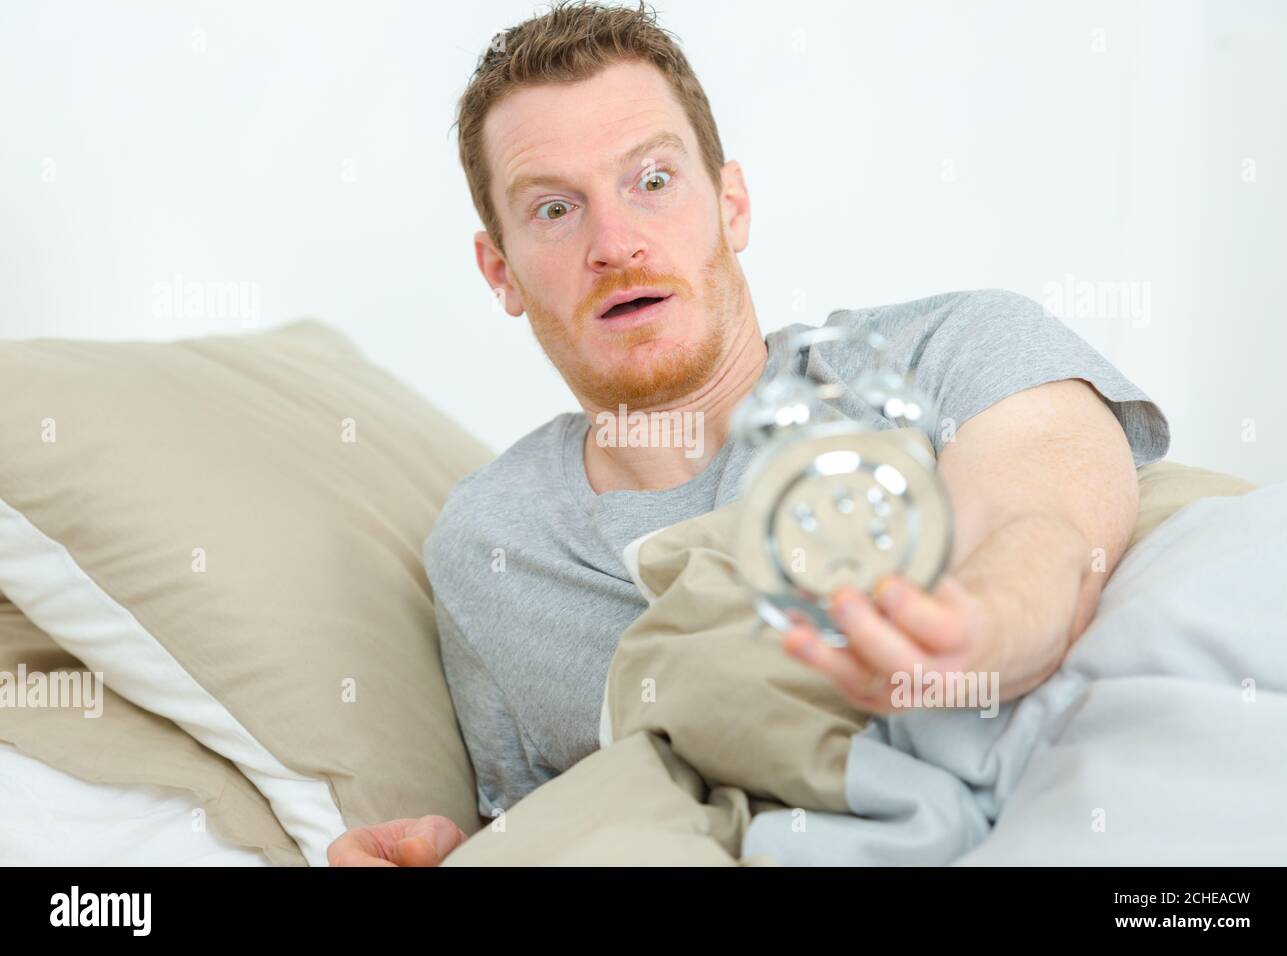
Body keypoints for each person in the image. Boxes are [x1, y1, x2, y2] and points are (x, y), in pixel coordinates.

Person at [327, 0, 1169, 866]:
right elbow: (566, 818)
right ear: (499, 271)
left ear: (731, 205)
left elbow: (1047, 531)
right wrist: (452, 854)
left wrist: (972, 632)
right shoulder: (494, 548)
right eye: (553, 210)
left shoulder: (945, 349)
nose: (616, 243)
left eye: (652, 181)